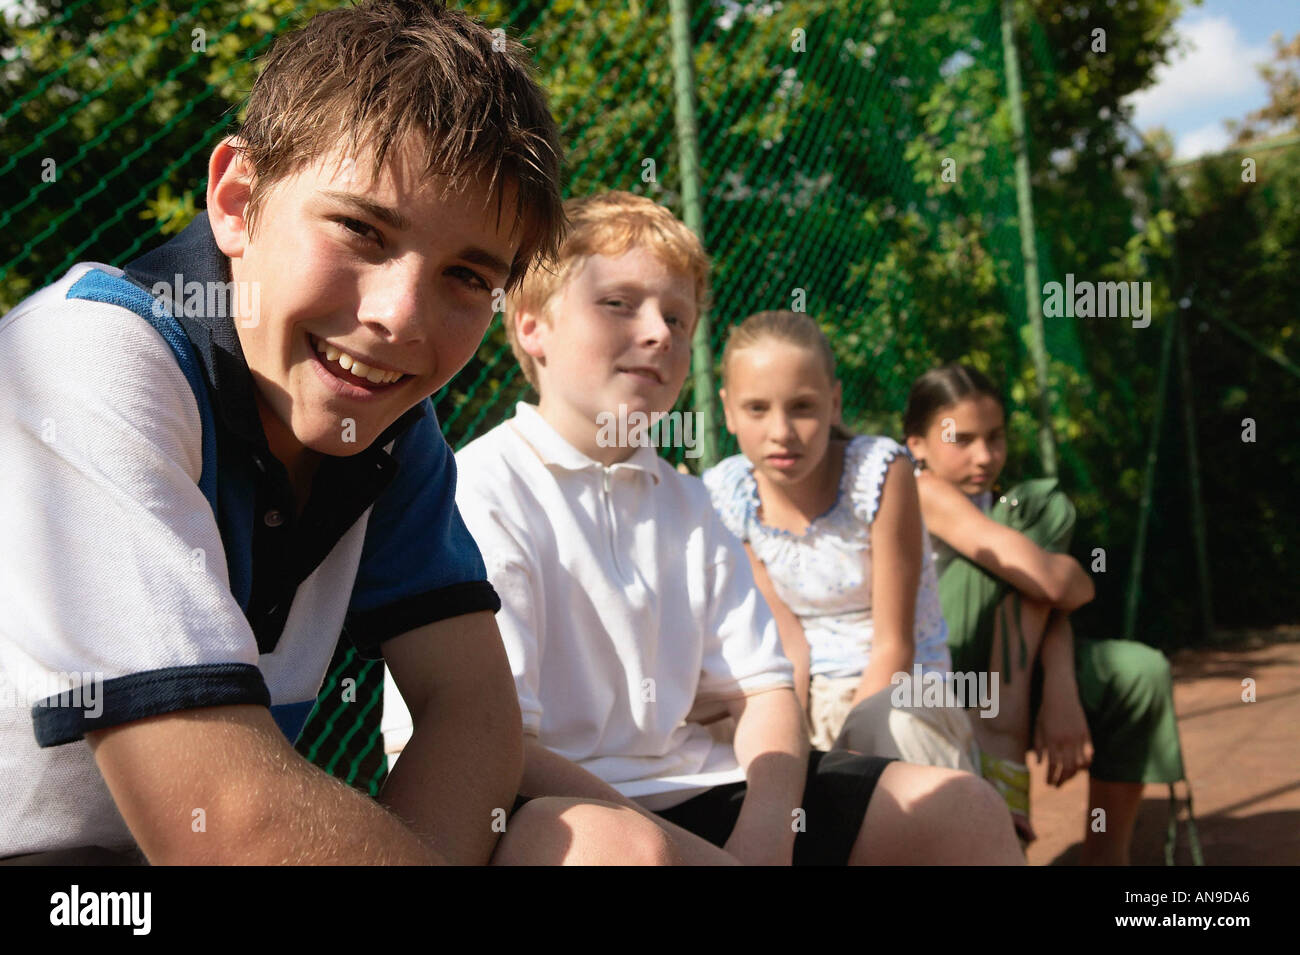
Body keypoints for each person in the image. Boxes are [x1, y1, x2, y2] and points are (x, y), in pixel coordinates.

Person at [0, 0, 684, 866]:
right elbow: (230, 824)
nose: (399, 317)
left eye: (468, 275)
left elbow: (471, 712)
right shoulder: (77, 360)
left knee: (603, 846)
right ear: (237, 199)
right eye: (361, 228)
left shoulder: (391, 428)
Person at [384, 193, 1023, 865]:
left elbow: (763, 689)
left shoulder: (692, 502)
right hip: (547, 808)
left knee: (963, 810)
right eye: (619, 303)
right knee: (620, 851)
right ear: (532, 325)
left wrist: (767, 836)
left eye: (678, 317)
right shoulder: (479, 489)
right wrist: (701, 856)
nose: (660, 331)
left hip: (701, 789)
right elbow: (490, 746)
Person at [903, 363, 1187, 863]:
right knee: (1032, 527)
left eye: (995, 438)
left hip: (1015, 668)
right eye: (961, 439)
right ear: (916, 445)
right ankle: (1000, 795)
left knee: (1140, 672)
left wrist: (1060, 685)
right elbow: (1059, 583)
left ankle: (1107, 857)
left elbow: (1057, 595)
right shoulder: (920, 490)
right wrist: (1061, 578)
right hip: (937, 676)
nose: (985, 456)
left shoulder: (1009, 506)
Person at [702, 311, 979, 773]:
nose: (781, 432)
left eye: (803, 407)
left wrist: (840, 762)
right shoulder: (727, 494)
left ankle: (965, 817)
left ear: (834, 403)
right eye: (757, 409)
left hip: (899, 688)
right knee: (704, 727)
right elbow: (788, 644)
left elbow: (895, 645)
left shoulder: (879, 472)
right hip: (801, 686)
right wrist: (792, 739)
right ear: (728, 410)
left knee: (882, 727)